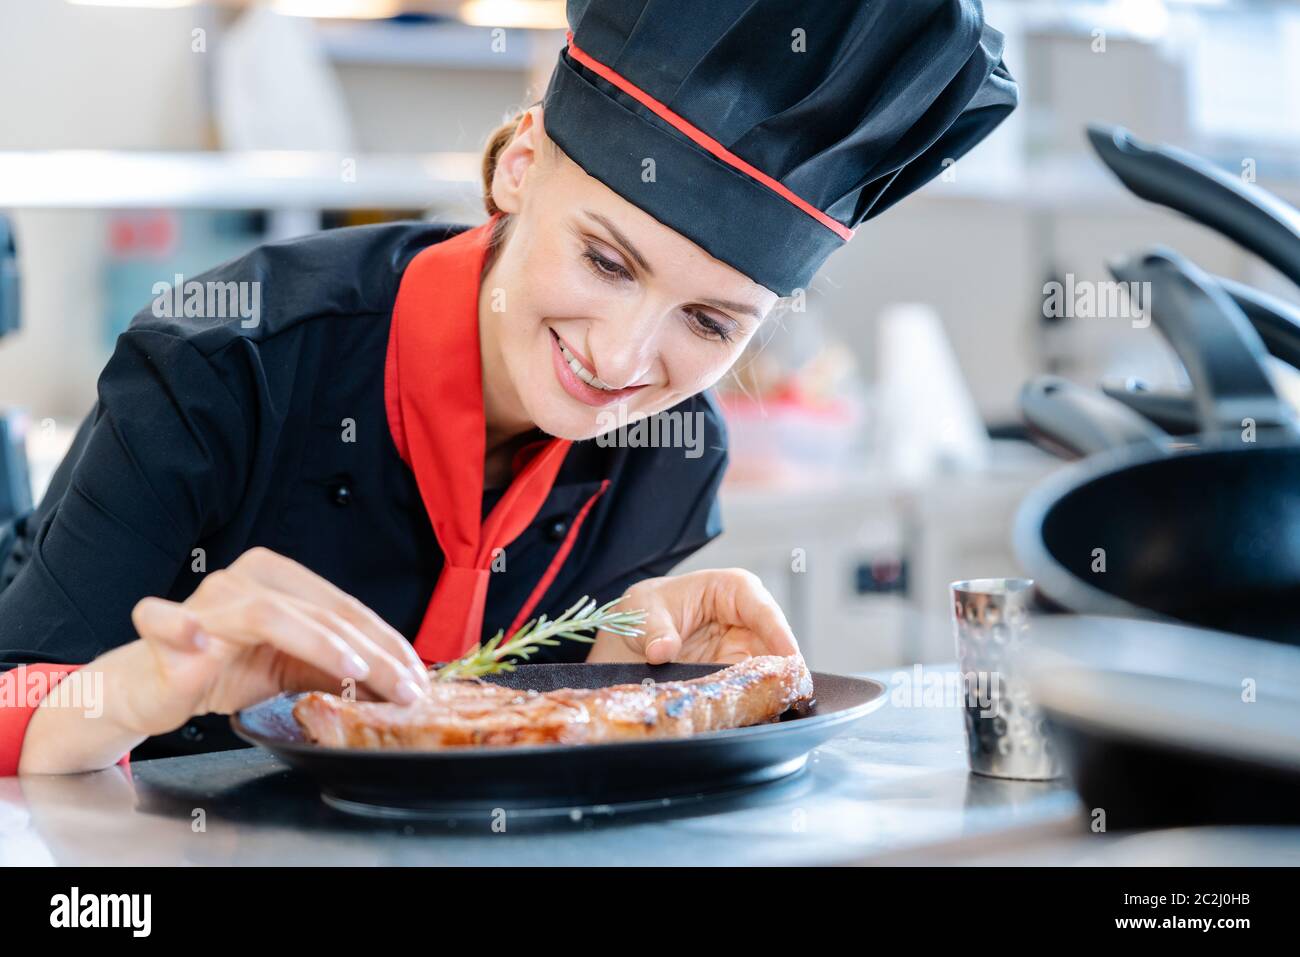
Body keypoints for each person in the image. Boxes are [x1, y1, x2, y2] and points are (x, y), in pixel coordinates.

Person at [0, 0, 1017, 774]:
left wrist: (617, 670)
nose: (621, 362)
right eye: (607, 262)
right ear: (521, 165)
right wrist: (151, 687)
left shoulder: (674, 462)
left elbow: (518, 774)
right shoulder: (222, 367)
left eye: (709, 322)